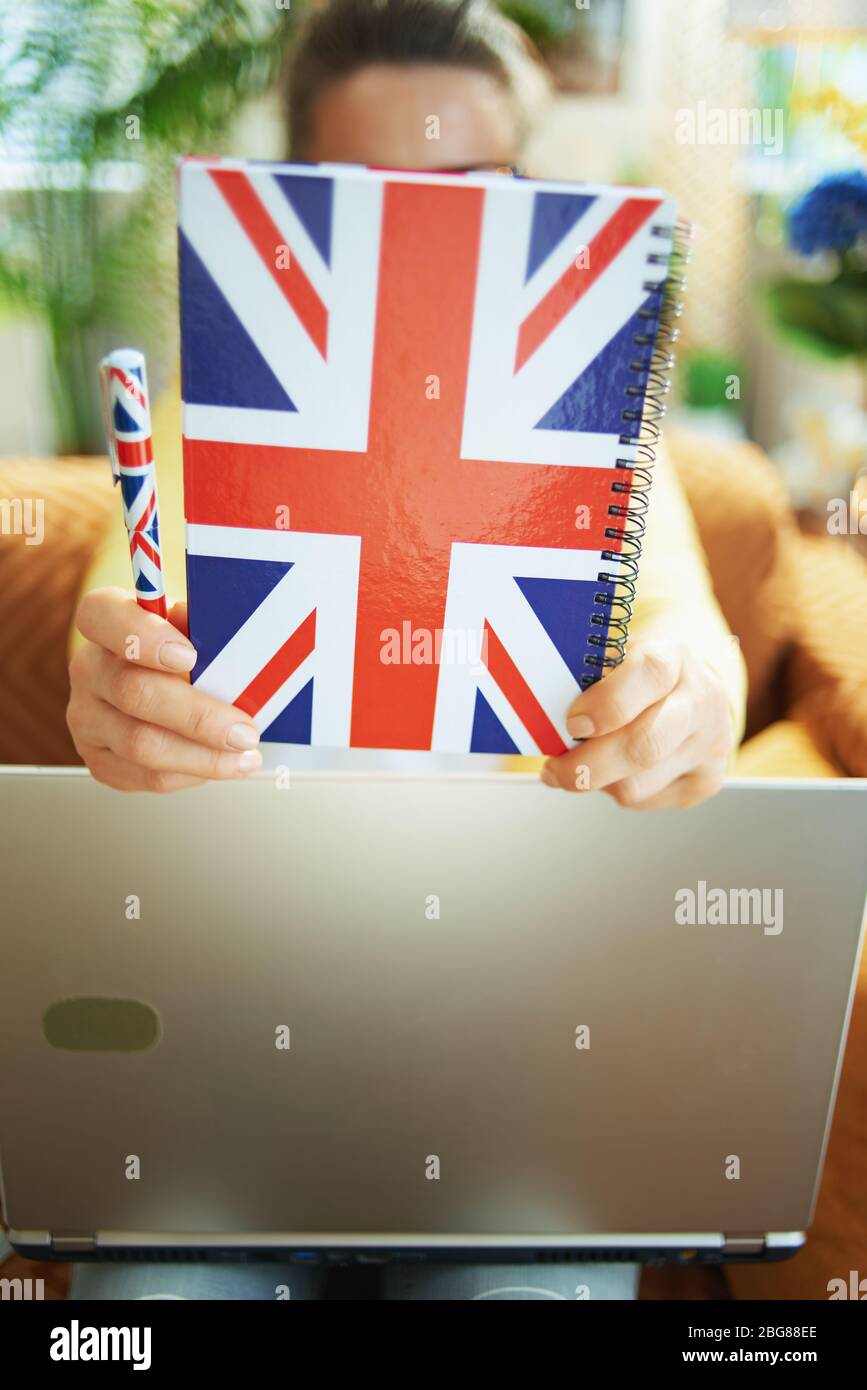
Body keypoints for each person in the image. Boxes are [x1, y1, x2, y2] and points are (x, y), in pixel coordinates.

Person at [67, 0, 746, 1300]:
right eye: (364, 199)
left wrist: (691, 702)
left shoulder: (596, 472)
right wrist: (113, 696)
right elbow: (108, 655)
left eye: (469, 193)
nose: (422, 245)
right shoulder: (197, 458)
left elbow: (692, 643)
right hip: (222, 1050)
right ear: (289, 202)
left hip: (511, 1059)